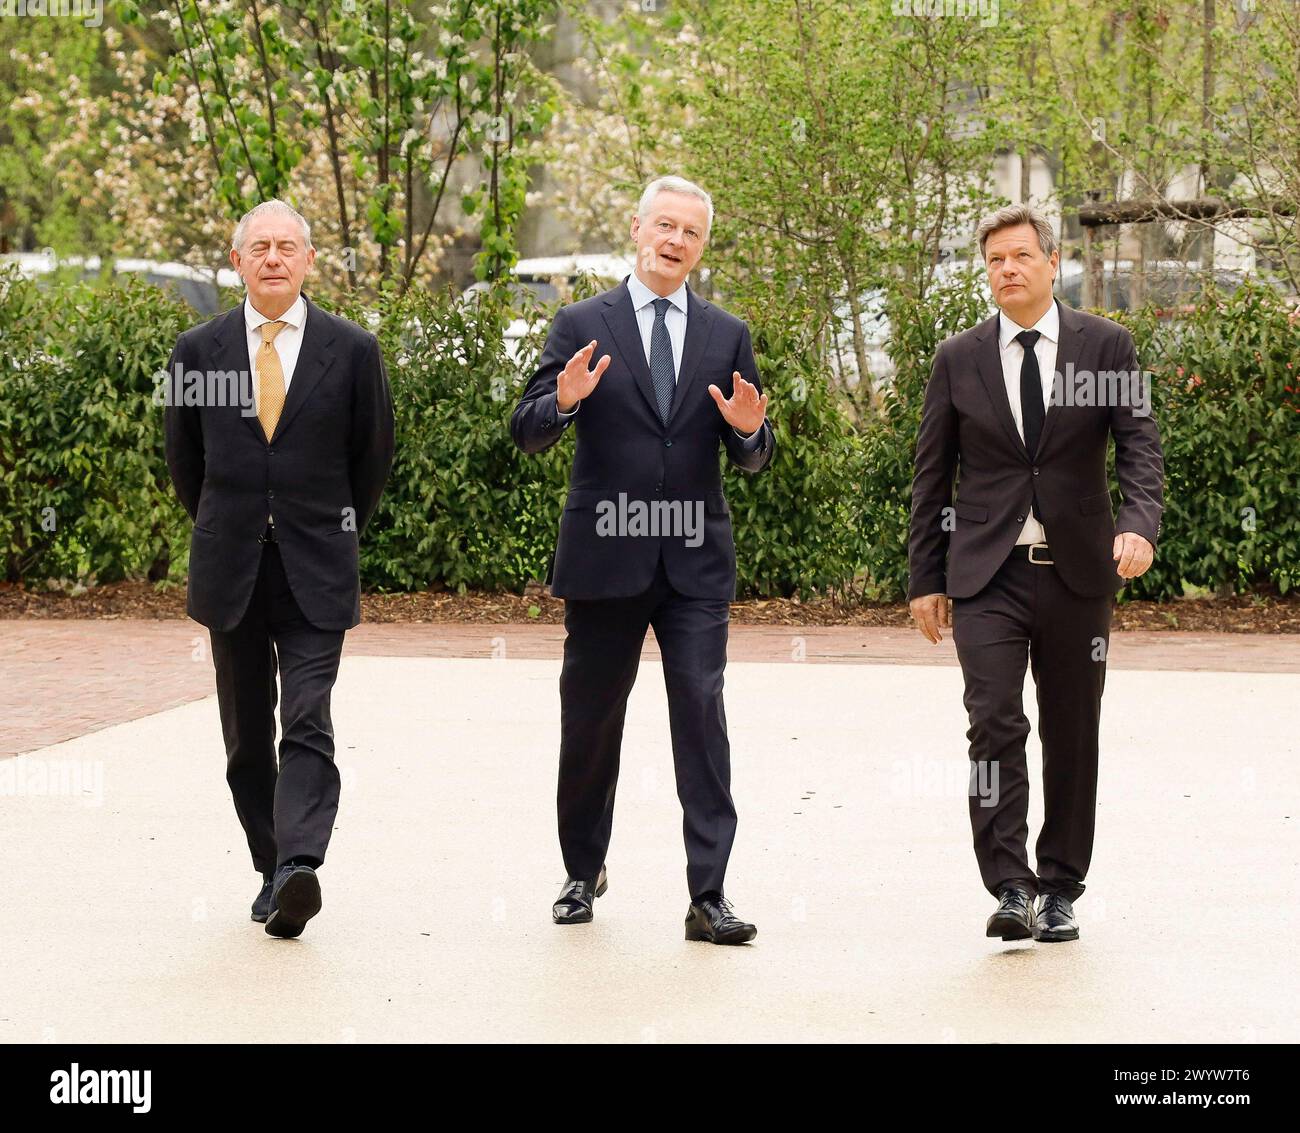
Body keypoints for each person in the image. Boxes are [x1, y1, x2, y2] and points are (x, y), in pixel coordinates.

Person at [511, 175, 775, 944]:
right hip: (604, 558)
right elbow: (525, 430)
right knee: (591, 719)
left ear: (702, 245)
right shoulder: (580, 321)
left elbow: (752, 452)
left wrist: (753, 434)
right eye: (664, 225)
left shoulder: (727, 333)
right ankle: (580, 869)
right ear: (636, 228)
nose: (674, 241)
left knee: (701, 716)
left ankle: (709, 893)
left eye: (690, 232)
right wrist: (560, 401)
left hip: (693, 562)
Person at [908, 204, 1164, 943]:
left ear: (1054, 263)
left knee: (1072, 728)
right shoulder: (959, 357)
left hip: (1079, 573)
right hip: (986, 574)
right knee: (993, 722)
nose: (1008, 269)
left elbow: (1140, 446)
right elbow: (933, 477)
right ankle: (1010, 884)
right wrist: (926, 575)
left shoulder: (1106, 346)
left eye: (1021, 256)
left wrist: (1137, 525)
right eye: (995, 260)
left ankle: (1060, 887)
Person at [164, 199, 394, 939]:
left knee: (306, 715)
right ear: (237, 262)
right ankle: (271, 869)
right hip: (230, 563)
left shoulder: (352, 350)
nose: (272, 257)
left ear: (308, 261)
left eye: (286, 246)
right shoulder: (196, 353)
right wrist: (227, 520)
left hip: (317, 564)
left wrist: (329, 526)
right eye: (258, 246)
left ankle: (300, 863)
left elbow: (371, 459)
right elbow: (184, 462)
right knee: (245, 737)